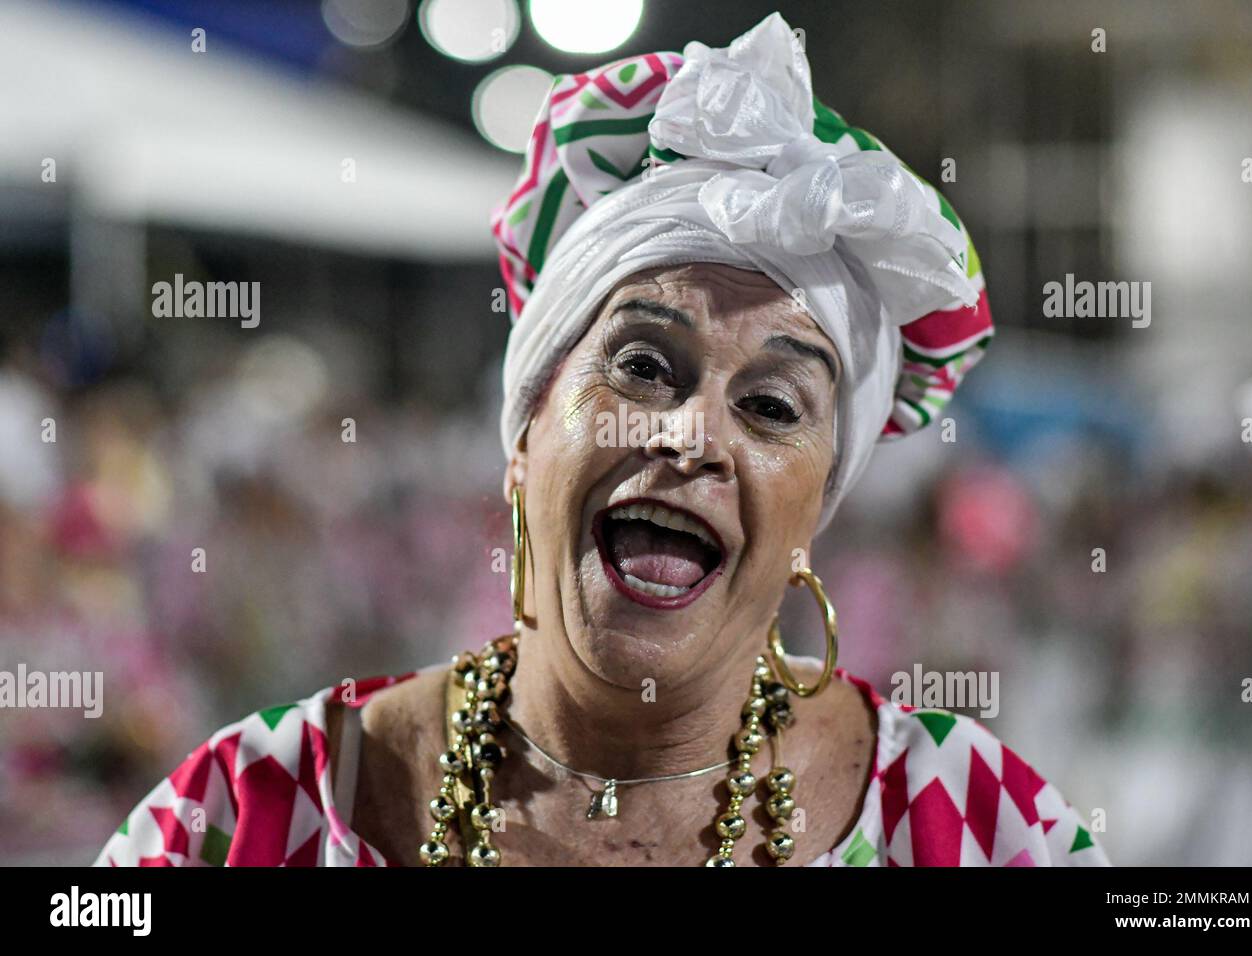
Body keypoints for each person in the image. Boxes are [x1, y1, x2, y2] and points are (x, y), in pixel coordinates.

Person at [94, 12, 1108, 867]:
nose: (691, 435)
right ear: (526, 428)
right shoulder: (244, 814)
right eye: (643, 365)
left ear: (818, 508)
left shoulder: (974, 823)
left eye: (771, 406)